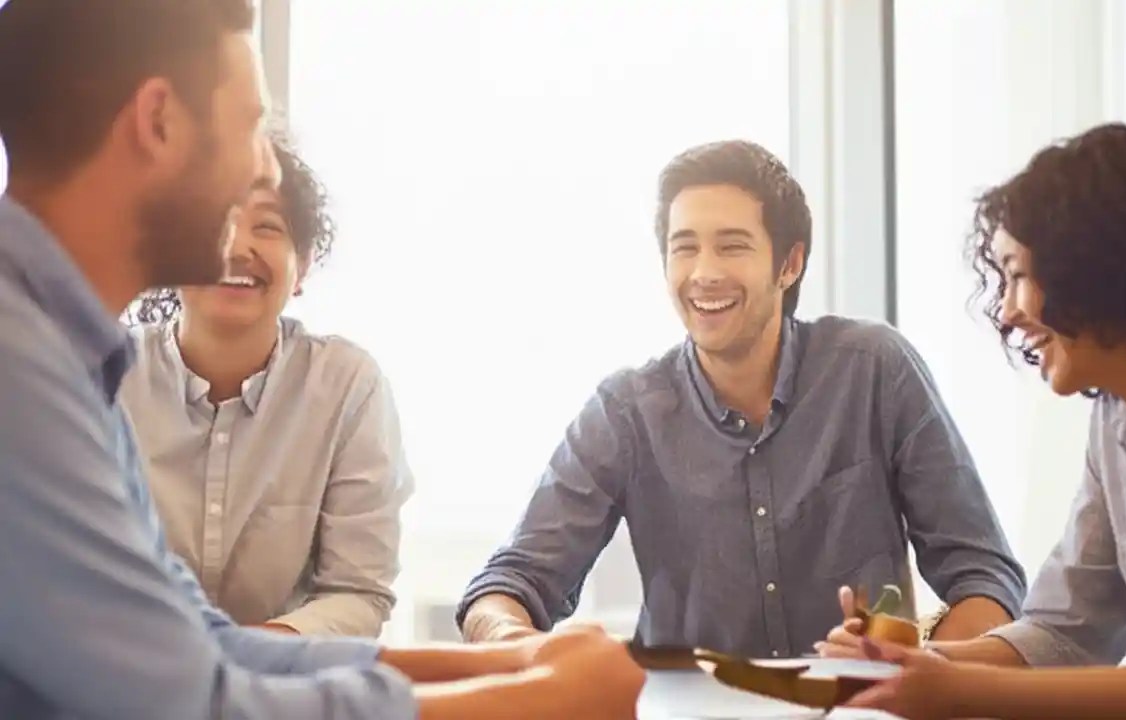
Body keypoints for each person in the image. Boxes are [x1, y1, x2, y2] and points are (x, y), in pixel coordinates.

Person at [0, 1, 643, 718]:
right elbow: (194, 706)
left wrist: (509, 661)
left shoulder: (65, 355)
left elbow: (200, 642)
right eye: (251, 128)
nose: (264, 166)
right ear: (159, 123)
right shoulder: (19, 370)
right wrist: (535, 702)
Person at [459, 139, 1026, 657]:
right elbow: (508, 585)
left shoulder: (875, 370)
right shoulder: (626, 411)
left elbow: (986, 579)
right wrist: (521, 645)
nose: (704, 273)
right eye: (685, 248)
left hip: (859, 713)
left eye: (732, 247)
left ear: (790, 263)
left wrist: (917, 669)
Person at [825, 123, 1126, 720]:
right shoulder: (1116, 423)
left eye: (1018, 275)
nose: (1008, 313)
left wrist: (957, 690)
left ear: (1104, 264)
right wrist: (907, 664)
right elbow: (1065, 634)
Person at [123, 134, 410, 638]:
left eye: (267, 226)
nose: (236, 247)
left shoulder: (347, 388)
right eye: (213, 222)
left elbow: (357, 592)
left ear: (302, 264)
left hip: (281, 692)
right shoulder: (103, 374)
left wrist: (245, 655)